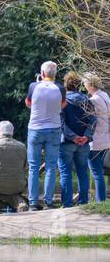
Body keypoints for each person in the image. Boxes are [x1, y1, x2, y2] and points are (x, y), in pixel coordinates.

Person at [25, 61, 65, 210]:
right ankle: (48, 201)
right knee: (50, 166)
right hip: (54, 129)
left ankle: (33, 202)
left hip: (35, 128)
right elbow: (63, 105)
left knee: (33, 167)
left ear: (42, 74)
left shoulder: (33, 86)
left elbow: (28, 103)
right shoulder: (60, 88)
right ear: (55, 74)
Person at [58, 71, 94, 207]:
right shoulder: (87, 101)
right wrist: (86, 136)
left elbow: (61, 123)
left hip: (66, 142)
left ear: (65, 85)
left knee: (65, 173)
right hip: (84, 143)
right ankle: (83, 203)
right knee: (82, 172)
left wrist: (73, 137)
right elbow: (93, 120)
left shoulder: (63, 101)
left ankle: (67, 205)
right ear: (79, 85)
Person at [83, 73, 109, 202]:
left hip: (95, 141)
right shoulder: (105, 96)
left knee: (96, 173)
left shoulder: (93, 100)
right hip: (106, 140)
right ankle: (101, 200)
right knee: (99, 173)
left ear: (89, 84)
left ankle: (100, 201)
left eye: (85, 83)